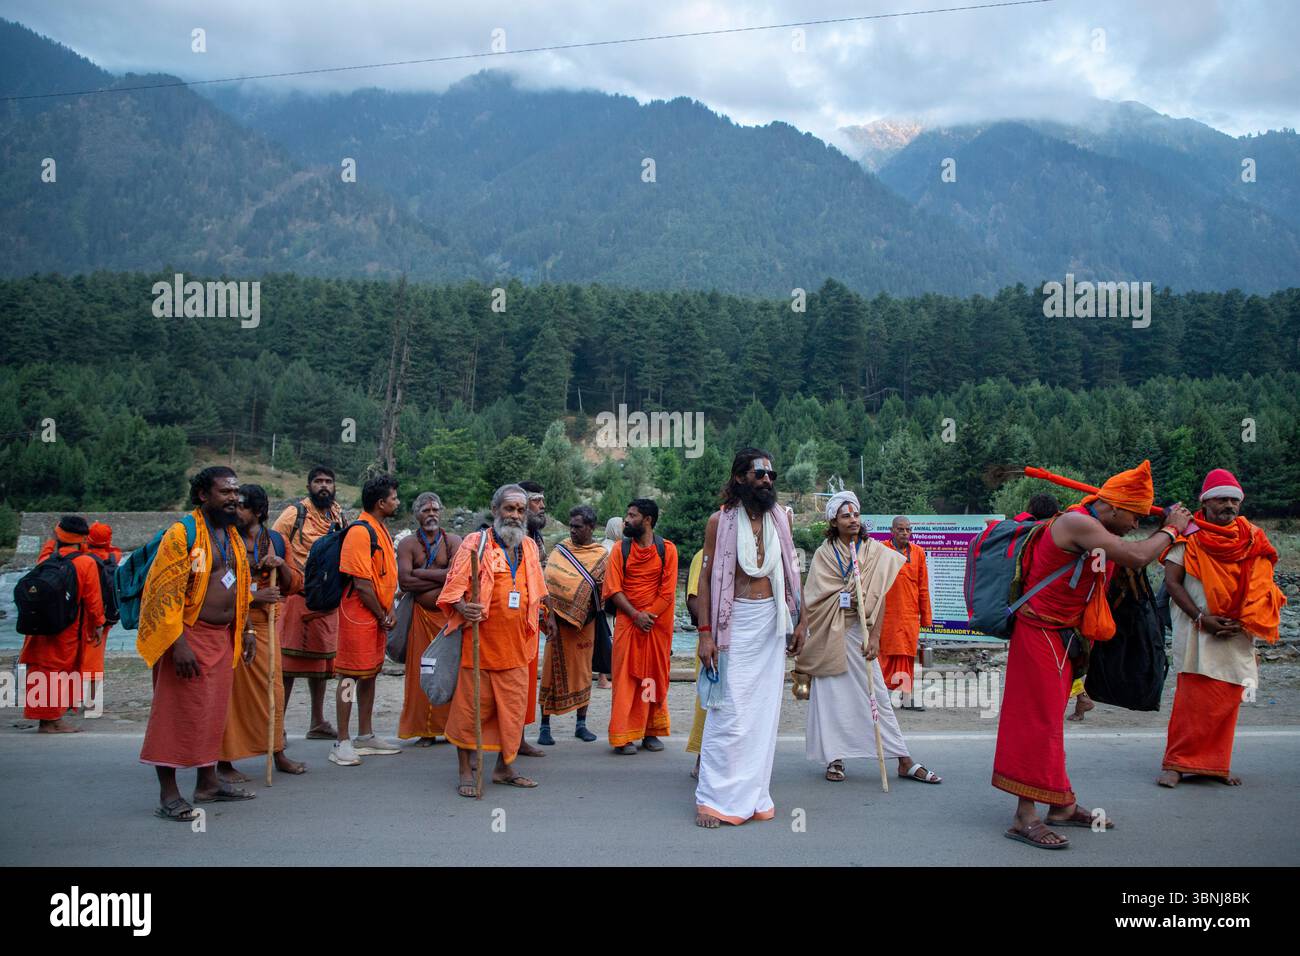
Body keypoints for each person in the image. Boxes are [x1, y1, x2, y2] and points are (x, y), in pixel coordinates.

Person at [994, 460, 1192, 849]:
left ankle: (1061, 804)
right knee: (1037, 723)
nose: (1136, 525)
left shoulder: (1094, 522)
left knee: (1050, 722)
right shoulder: (1076, 524)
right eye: (1135, 517)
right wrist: (1171, 529)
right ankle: (1024, 816)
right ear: (1115, 507)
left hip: (1063, 636)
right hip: (1039, 633)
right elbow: (1135, 557)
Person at [799, 493, 942, 785]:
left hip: (862, 634)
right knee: (832, 697)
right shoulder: (825, 553)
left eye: (855, 514)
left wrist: (875, 636)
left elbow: (883, 595)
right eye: (845, 515)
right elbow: (813, 597)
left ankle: (903, 759)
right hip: (831, 632)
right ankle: (835, 757)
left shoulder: (874, 551)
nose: (852, 519)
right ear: (834, 521)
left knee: (876, 695)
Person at [138, 467, 256, 821]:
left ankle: (208, 782)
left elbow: (240, 587)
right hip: (187, 637)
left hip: (222, 638)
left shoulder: (230, 534)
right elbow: (163, 593)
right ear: (204, 495)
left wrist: (247, 629)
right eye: (226, 492)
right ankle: (168, 794)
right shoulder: (181, 534)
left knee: (212, 713)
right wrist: (178, 644)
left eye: (236, 492)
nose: (234, 498)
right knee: (174, 714)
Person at [694, 450, 803, 827]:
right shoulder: (719, 522)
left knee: (762, 714)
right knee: (729, 711)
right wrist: (705, 634)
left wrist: (799, 622)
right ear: (740, 477)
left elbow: (791, 573)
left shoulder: (782, 520)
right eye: (759, 474)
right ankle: (713, 799)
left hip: (772, 621)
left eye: (772, 474)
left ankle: (753, 794)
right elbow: (706, 580)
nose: (768, 480)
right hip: (734, 621)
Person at [1158, 469, 1286, 788]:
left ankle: (1213, 765)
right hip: (1196, 628)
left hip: (1236, 631)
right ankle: (1176, 764)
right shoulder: (1188, 534)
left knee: (1227, 697)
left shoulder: (1253, 537)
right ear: (1206, 502)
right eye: (1222, 499)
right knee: (1192, 698)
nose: (1229, 505)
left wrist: (1245, 619)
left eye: (1233, 499)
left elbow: (1262, 586)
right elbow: (1172, 583)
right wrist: (1202, 618)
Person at [438, 484, 547, 796]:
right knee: (469, 712)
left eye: (520, 510)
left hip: (516, 649)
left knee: (511, 713)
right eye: (509, 509)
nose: (514, 515)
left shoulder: (527, 546)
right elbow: (453, 588)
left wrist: (544, 616)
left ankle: (504, 767)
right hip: (480, 647)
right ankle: (464, 770)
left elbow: (536, 592)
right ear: (495, 509)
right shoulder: (476, 543)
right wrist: (462, 606)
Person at [218, 484, 306, 780]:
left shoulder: (278, 541)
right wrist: (253, 597)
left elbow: (295, 584)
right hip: (232, 622)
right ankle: (225, 762)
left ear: (257, 511)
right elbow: (216, 588)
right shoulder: (225, 541)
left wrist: (279, 566)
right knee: (231, 694)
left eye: (242, 506)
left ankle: (276, 750)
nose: (235, 510)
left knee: (273, 689)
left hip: (267, 625)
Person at [329, 474, 401, 766]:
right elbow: (361, 583)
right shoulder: (360, 531)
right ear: (381, 502)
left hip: (377, 615)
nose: (397, 501)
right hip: (359, 615)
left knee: (370, 672)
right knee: (349, 675)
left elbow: (384, 577)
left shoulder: (379, 528)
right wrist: (383, 613)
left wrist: (390, 609)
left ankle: (365, 734)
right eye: (394, 497)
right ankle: (342, 741)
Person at [272, 466, 346, 740]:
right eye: (318, 481)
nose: (323, 486)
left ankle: (317, 721)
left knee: (323, 666)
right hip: (296, 599)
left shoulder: (337, 514)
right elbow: (274, 544)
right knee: (288, 668)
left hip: (326, 601)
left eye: (328, 481)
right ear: (308, 485)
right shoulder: (294, 514)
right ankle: (277, 726)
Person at [603, 498, 678, 755]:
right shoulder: (618, 550)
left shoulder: (667, 550)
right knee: (625, 682)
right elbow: (613, 589)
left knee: (652, 679)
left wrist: (648, 616)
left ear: (647, 520)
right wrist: (636, 615)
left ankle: (650, 731)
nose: (626, 520)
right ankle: (623, 735)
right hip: (628, 623)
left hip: (655, 627)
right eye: (627, 514)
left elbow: (668, 592)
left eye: (632, 515)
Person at [19, 516, 105, 733]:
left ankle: (46, 718)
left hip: (39, 628)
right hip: (67, 629)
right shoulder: (86, 563)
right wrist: (98, 624)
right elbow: (93, 600)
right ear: (83, 538)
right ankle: (51, 721)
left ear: (58, 535)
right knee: (60, 672)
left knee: (40, 670)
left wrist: (54, 537)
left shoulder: (47, 560)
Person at [396, 492, 462, 745]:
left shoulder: (454, 541)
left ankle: (451, 728)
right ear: (416, 515)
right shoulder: (408, 544)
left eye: (435, 509)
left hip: (449, 620)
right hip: (420, 619)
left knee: (450, 671)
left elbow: (458, 577)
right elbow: (404, 580)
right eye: (425, 510)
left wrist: (420, 575)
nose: (431, 514)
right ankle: (424, 730)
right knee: (422, 672)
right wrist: (443, 575)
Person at [538, 505, 607, 745]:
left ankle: (581, 724)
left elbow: (603, 591)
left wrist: (585, 614)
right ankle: (544, 727)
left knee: (583, 673)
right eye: (571, 526)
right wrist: (548, 617)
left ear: (591, 527)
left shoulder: (600, 555)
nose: (573, 531)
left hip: (584, 625)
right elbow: (546, 582)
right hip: (555, 623)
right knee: (549, 673)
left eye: (578, 527)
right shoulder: (559, 550)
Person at [879, 516, 932, 710]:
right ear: (892, 531)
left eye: (908, 530)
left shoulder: (918, 552)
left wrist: (926, 617)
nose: (905, 533)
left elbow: (923, 586)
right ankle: (882, 697)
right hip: (887, 614)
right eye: (900, 529)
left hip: (910, 614)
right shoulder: (882, 550)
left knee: (907, 656)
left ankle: (907, 697)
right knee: (885, 655)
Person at [516, 480, 548, 758]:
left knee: (525, 680)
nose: (542, 506)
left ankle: (518, 737)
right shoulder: (496, 536)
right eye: (536, 500)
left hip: (531, 618)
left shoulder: (535, 536)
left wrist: (545, 611)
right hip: (506, 621)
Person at [81, 521, 122, 711]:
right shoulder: (114, 556)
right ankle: (92, 701)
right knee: (95, 658)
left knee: (77, 655)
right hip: (105, 616)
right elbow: (112, 548)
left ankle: (72, 699)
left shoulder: (83, 557)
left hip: (83, 614)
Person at [684, 548, 707, 779]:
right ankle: (703, 757)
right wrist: (708, 633)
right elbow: (693, 599)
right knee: (708, 701)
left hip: (746, 642)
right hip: (714, 641)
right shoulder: (703, 555)